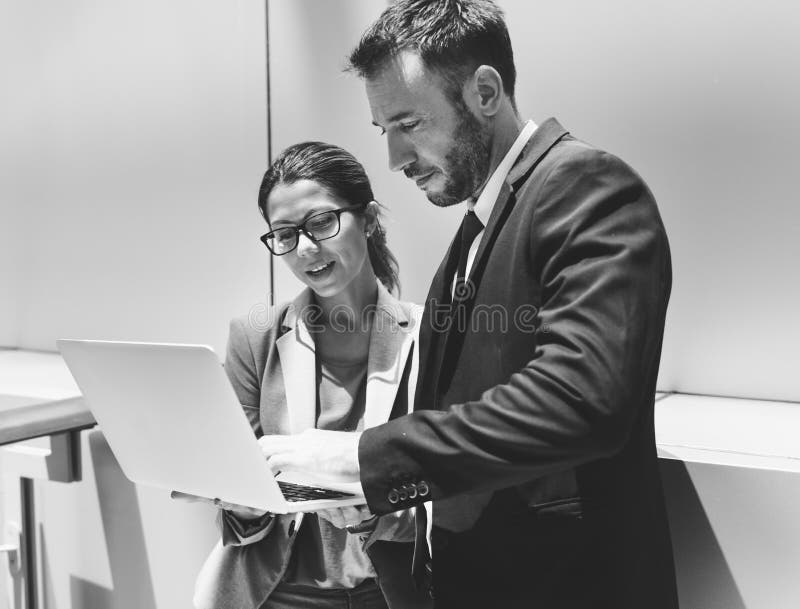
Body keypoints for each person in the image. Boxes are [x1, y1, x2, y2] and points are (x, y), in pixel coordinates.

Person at [259, 1, 679, 608]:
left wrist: (362, 460)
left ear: (485, 91)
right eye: (386, 131)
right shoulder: (482, 223)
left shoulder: (586, 186)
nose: (395, 159)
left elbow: (580, 400)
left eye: (409, 124)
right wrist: (380, 495)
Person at [184, 141, 432, 609]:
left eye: (321, 223)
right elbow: (240, 521)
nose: (306, 248)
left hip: (392, 591)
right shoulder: (253, 339)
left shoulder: (426, 337)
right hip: (279, 593)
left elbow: (449, 489)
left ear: (370, 218)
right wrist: (242, 505)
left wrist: (380, 510)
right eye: (285, 234)